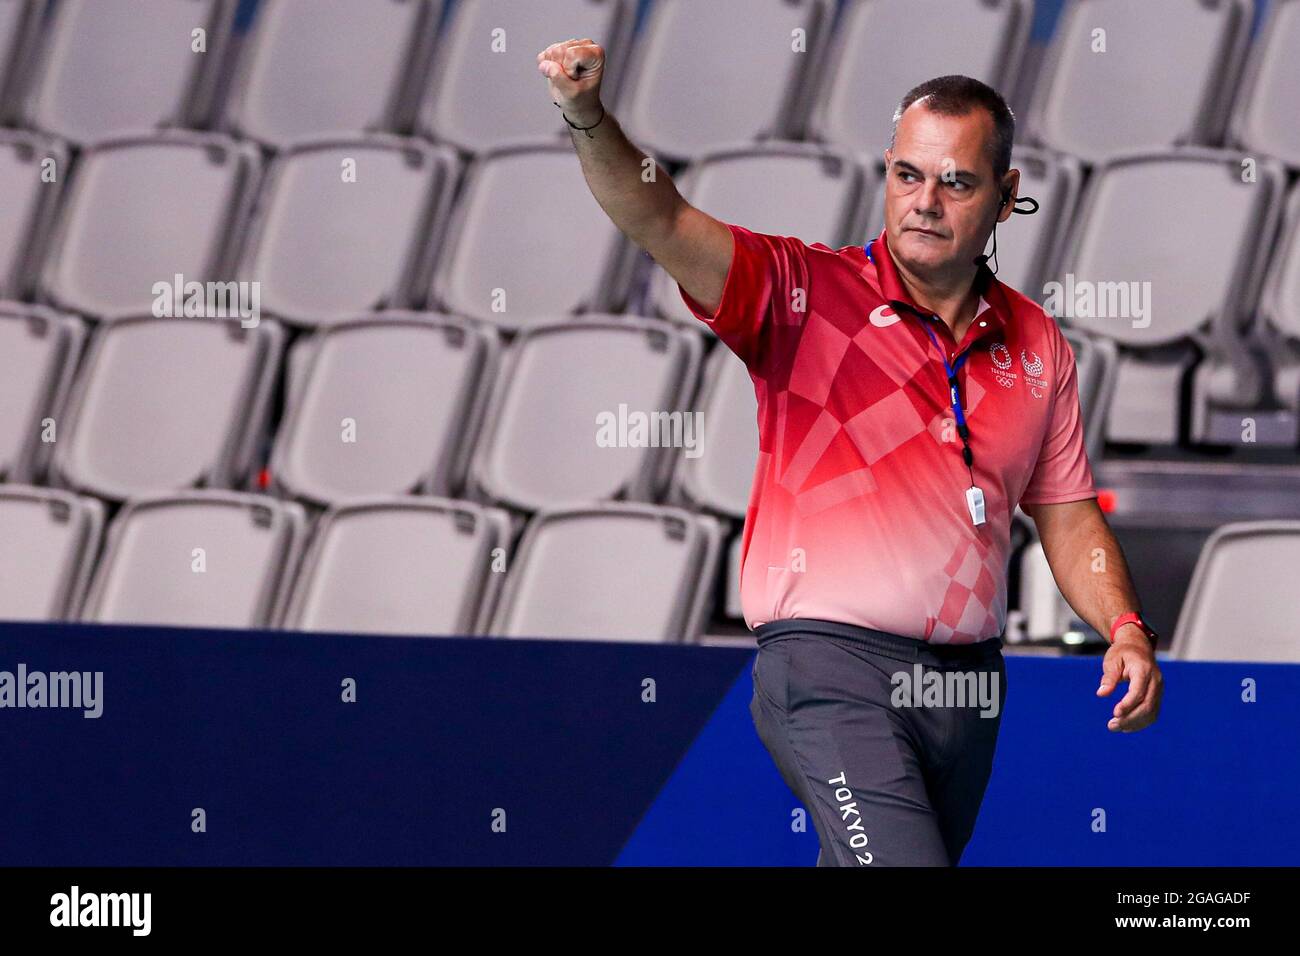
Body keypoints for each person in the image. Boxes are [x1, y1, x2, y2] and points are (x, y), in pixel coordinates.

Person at [538, 39, 1163, 866]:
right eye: (908, 175)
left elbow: (1068, 517)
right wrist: (588, 117)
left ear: (1007, 196)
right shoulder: (799, 291)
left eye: (957, 181)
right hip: (829, 666)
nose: (926, 202)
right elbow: (661, 218)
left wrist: (1124, 626)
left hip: (967, 685)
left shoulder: (1038, 343)